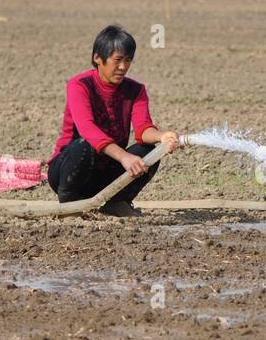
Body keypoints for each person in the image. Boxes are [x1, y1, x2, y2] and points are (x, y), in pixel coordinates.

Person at [47, 24, 181, 215]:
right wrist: (124, 157)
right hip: (70, 171)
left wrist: (163, 137)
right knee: (83, 145)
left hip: (107, 173)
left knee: (151, 150)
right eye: (117, 60)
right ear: (97, 58)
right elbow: (87, 129)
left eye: (128, 60)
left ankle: (118, 201)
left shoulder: (135, 90)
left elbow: (143, 130)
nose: (123, 67)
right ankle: (70, 205)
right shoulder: (80, 85)